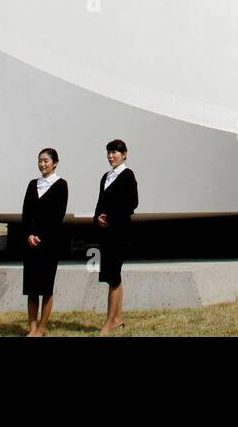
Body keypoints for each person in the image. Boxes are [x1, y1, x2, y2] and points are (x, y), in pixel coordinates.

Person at [21, 148, 68, 337]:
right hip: (31, 243)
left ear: (54, 163)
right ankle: (32, 328)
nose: (42, 164)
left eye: (46, 161)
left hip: (49, 244)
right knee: (32, 289)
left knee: (46, 289)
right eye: (40, 160)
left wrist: (42, 235)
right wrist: (28, 234)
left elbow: (58, 215)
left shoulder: (61, 184)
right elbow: (26, 213)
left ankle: (41, 329)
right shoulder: (33, 184)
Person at [92, 139, 138, 334]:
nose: (111, 156)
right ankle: (117, 319)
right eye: (109, 152)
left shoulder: (128, 175)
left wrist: (110, 217)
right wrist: (97, 218)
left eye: (115, 152)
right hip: (106, 233)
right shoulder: (106, 177)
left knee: (113, 275)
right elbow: (100, 202)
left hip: (119, 232)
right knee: (113, 276)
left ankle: (110, 321)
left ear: (125, 154)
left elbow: (132, 203)